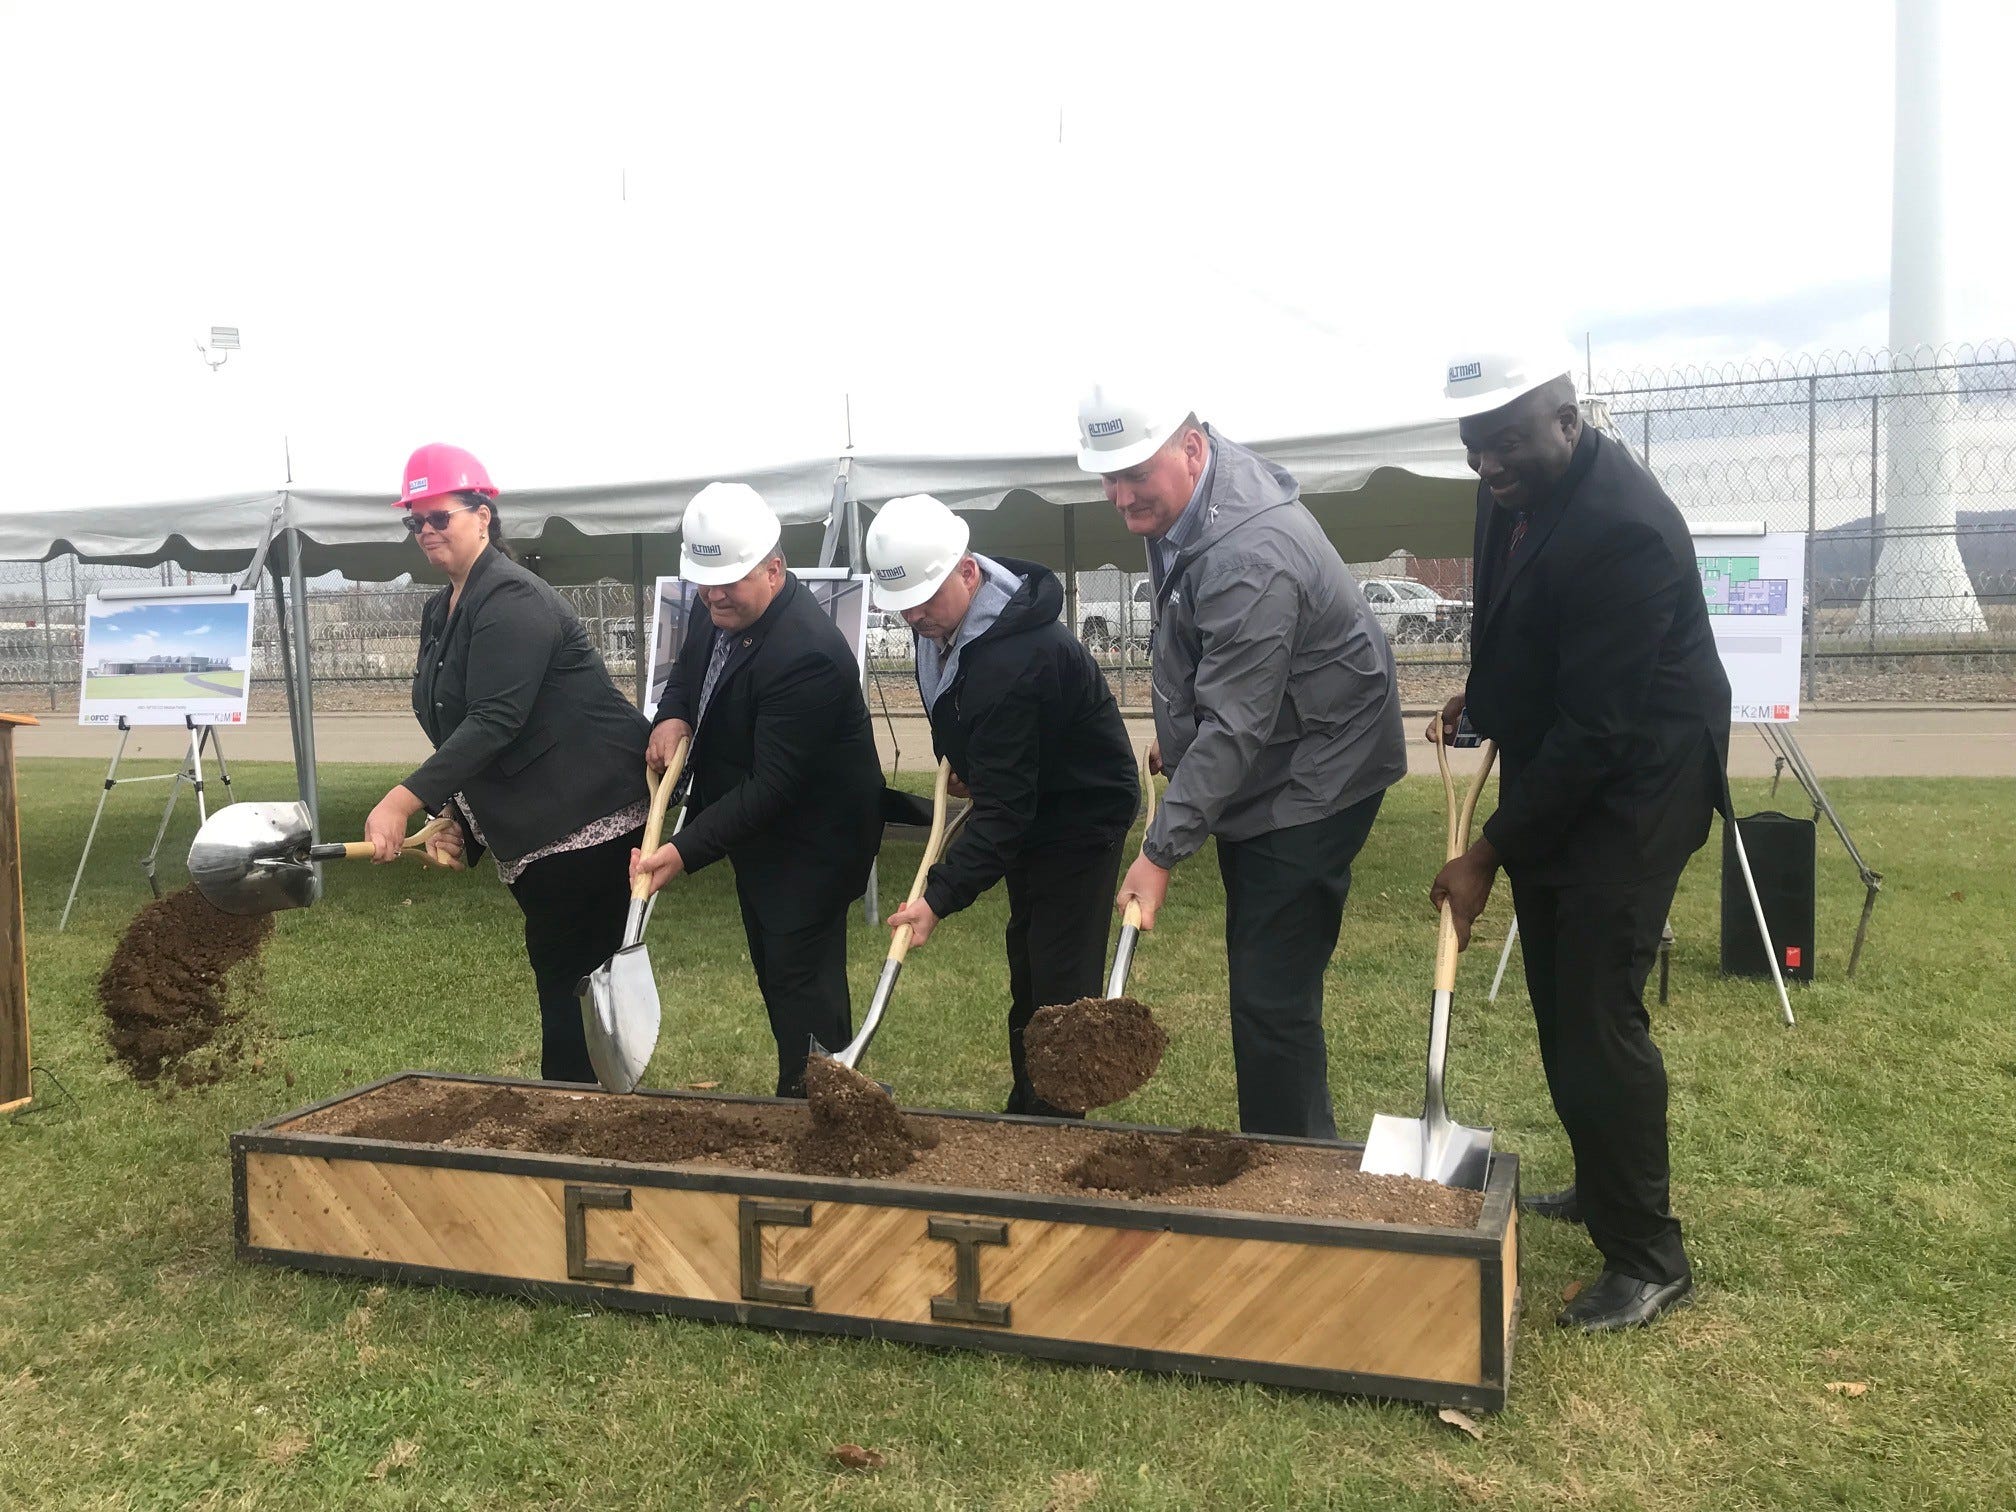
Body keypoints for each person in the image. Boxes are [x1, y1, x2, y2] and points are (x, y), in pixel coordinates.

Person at [1429, 346, 1731, 1332]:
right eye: (1475, 448)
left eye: (1507, 442)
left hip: (1639, 787)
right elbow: (1522, 621)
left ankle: (1649, 1255)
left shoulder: (1624, 530)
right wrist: (1488, 695)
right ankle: (1603, 1192)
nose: (1488, 467)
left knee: (1599, 1018)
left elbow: (1603, 728)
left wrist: (1486, 854)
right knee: (1561, 1002)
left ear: (1570, 418)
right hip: (1574, 763)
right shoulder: (1511, 485)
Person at [1078, 384, 1409, 1140]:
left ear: (1191, 448)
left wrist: (1159, 854)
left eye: (1136, 474)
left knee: (1270, 994)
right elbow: (1219, 660)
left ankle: (1291, 1173)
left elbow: (1238, 723)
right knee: (1265, 974)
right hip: (1283, 741)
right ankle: (1287, 1150)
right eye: (1108, 478)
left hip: (1318, 769)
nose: (1122, 498)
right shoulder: (1194, 500)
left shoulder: (1249, 550)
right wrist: (1185, 739)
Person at [364, 441, 652, 1084]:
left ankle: (578, 1125)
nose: (426, 532)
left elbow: (498, 718)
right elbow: (457, 727)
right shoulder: (442, 609)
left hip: (588, 818)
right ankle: (578, 1116)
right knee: (563, 983)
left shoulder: (514, 600)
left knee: (573, 987)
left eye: (440, 517)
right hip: (537, 826)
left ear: (483, 514)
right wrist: (463, 821)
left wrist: (404, 799)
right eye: (415, 521)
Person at [865, 493, 1140, 1117]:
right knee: (1028, 963)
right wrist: (968, 761)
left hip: (1080, 814)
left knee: (1061, 982)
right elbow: (962, 713)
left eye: (925, 599)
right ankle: (1030, 1104)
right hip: (1031, 800)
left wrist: (938, 897)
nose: (913, 617)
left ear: (969, 571)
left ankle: (1056, 1120)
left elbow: (1007, 813)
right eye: (902, 604)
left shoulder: (1020, 656)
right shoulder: (942, 621)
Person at [630, 482, 883, 1097]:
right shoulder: (715, 603)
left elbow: (773, 785)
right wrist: (673, 714)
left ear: (774, 568)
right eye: (704, 581)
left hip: (815, 842)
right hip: (763, 834)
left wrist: (683, 851)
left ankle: (824, 1102)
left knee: (801, 976)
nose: (712, 594)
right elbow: (689, 672)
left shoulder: (807, 654)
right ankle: (806, 1086)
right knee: (776, 970)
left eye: (728, 582)